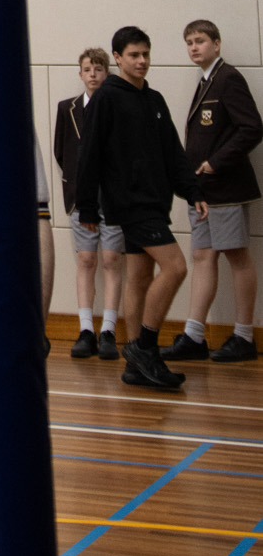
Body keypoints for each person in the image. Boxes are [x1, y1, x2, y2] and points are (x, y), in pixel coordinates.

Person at [75, 24, 208, 392]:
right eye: (134, 55)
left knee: (140, 277)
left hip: (155, 201)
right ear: (117, 58)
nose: (142, 61)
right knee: (177, 266)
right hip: (129, 204)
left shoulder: (155, 100)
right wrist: (86, 206)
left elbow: (174, 154)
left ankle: (135, 365)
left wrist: (191, 190)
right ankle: (146, 347)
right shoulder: (107, 98)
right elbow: (89, 155)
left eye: (146, 54)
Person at [166, 19, 262, 363]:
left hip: (226, 188)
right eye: (189, 41)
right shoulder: (205, 80)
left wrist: (215, 163)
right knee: (202, 256)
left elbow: (252, 128)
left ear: (217, 44)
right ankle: (193, 334)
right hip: (202, 190)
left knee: (236, 256)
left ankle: (244, 336)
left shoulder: (228, 78)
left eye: (201, 41)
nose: (194, 47)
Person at [53, 48, 124, 359]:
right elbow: (61, 152)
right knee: (85, 261)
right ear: (80, 74)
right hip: (81, 199)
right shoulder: (66, 108)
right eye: (87, 69)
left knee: (111, 260)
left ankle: (108, 328)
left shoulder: (117, 106)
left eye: (98, 68)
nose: (93, 74)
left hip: (112, 198)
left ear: (107, 73)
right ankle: (86, 329)